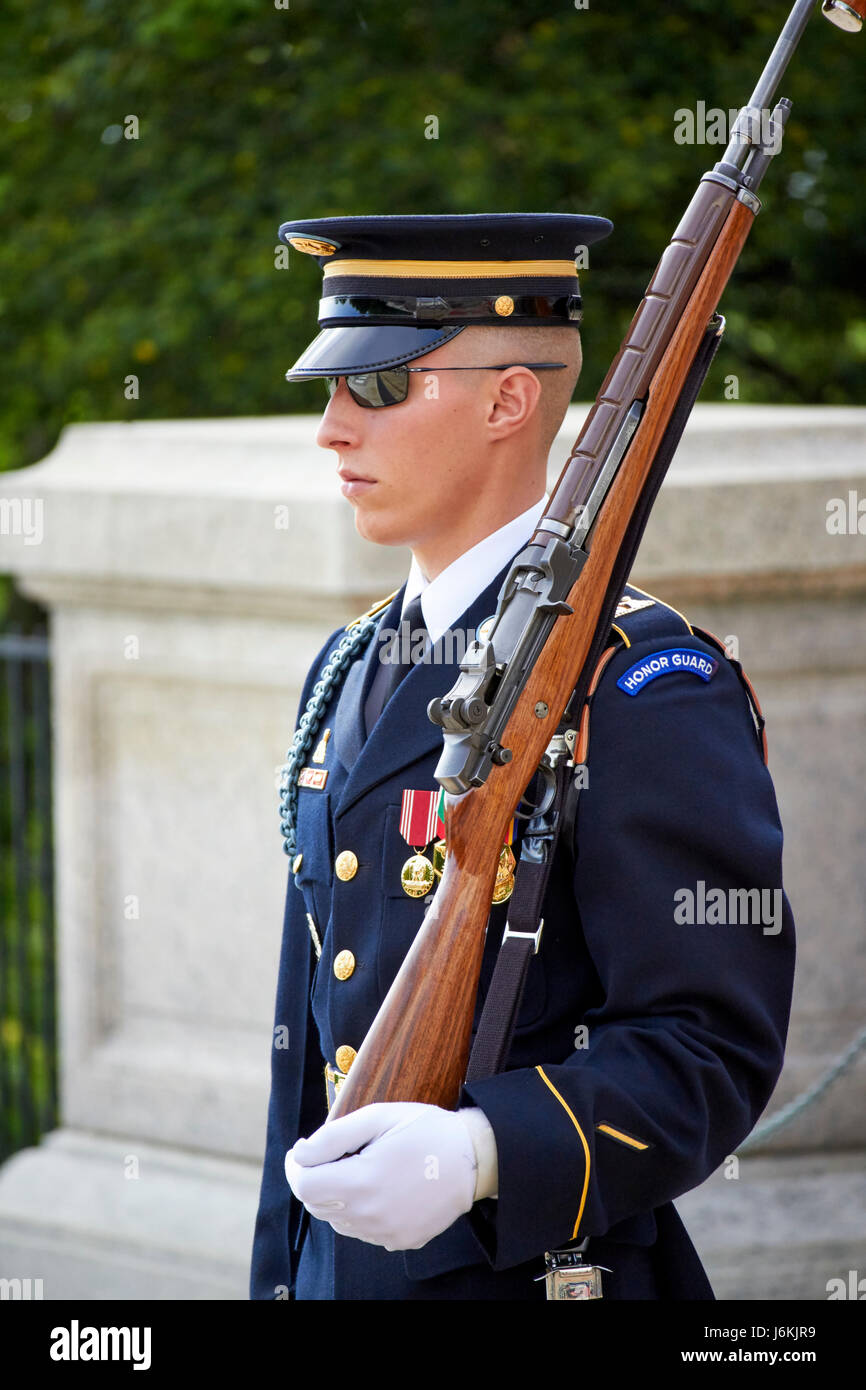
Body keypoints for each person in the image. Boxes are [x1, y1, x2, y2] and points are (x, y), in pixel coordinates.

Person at [249, 213, 796, 1301]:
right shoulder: (350, 662)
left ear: (508, 401)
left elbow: (707, 1050)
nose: (330, 429)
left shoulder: (640, 685)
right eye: (331, 389)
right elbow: (303, 1067)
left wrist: (481, 1153)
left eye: (380, 388)